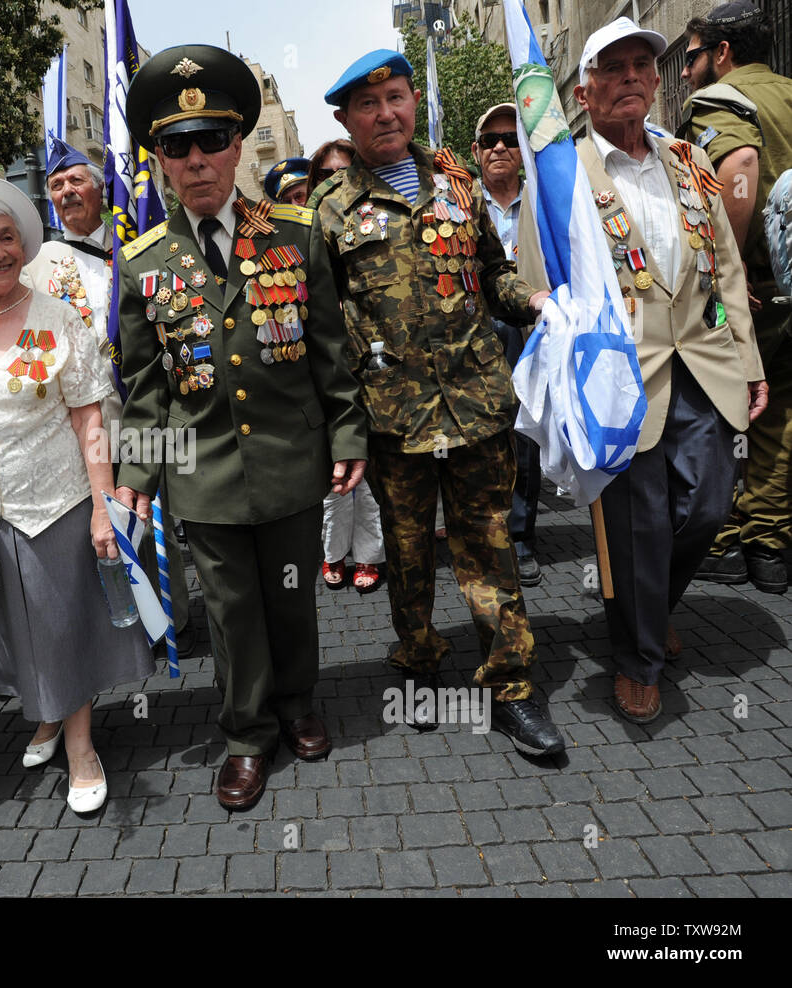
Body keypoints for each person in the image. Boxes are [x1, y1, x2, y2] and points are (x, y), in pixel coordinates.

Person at [113, 45, 368, 812]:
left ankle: (297, 705)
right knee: (230, 614)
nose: (196, 161)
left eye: (211, 142)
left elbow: (331, 351)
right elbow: (145, 385)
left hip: (292, 459)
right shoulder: (143, 263)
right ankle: (245, 735)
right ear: (160, 159)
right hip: (204, 474)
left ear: (235, 148)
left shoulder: (294, 235)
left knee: (292, 598)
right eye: (176, 147)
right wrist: (134, 478)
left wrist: (349, 436)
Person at [315, 49, 563, 754]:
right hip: (395, 418)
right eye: (368, 105)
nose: (385, 113)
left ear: (413, 100)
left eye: (394, 97)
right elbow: (326, 330)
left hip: (476, 404)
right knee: (408, 554)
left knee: (490, 550)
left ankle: (510, 686)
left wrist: (533, 300)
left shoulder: (456, 182)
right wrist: (343, 429)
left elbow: (492, 272)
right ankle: (419, 662)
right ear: (346, 119)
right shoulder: (328, 212)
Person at [519, 19, 765, 723]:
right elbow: (544, 285)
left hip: (705, 367)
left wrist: (747, 362)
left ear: (658, 80)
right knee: (640, 529)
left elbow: (724, 270)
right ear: (585, 88)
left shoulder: (689, 161)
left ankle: (650, 604)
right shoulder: (562, 174)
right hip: (618, 381)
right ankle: (637, 659)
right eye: (614, 67)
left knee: (710, 509)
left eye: (642, 65)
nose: (631, 76)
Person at [0, 177, 154, 814]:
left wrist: (103, 503)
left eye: (6, 238)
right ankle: (45, 716)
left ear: (24, 245)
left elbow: (89, 418)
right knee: (6, 627)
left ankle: (80, 746)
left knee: (58, 623)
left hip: (53, 499)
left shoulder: (59, 318)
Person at [26, 136, 192, 649]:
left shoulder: (138, 248)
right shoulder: (37, 266)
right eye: (56, 185)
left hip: (145, 404)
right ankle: (126, 620)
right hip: (87, 415)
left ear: (102, 189)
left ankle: (172, 614)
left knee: (156, 504)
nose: (66, 192)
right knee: (107, 510)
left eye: (76, 180)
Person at [679, 0, 792, 596]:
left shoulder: (719, 102)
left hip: (751, 290)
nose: (685, 72)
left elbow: (740, 165)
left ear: (722, 52)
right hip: (790, 287)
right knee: (781, 415)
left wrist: (731, 267)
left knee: (724, 409)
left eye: (691, 56)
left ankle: (720, 542)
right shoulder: (789, 95)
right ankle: (771, 546)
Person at [305, 140, 387, 592]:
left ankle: (370, 556)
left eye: (346, 171)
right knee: (335, 482)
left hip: (372, 371)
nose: (337, 181)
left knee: (370, 481)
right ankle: (333, 554)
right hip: (324, 378)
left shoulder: (378, 224)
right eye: (326, 175)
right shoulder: (296, 237)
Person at [471, 102, 543, 588]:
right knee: (480, 440)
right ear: (475, 152)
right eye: (490, 139)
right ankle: (480, 534)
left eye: (510, 137)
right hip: (475, 339)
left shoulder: (545, 202)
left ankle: (519, 533)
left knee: (525, 434)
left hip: (533, 333)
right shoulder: (456, 203)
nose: (501, 146)